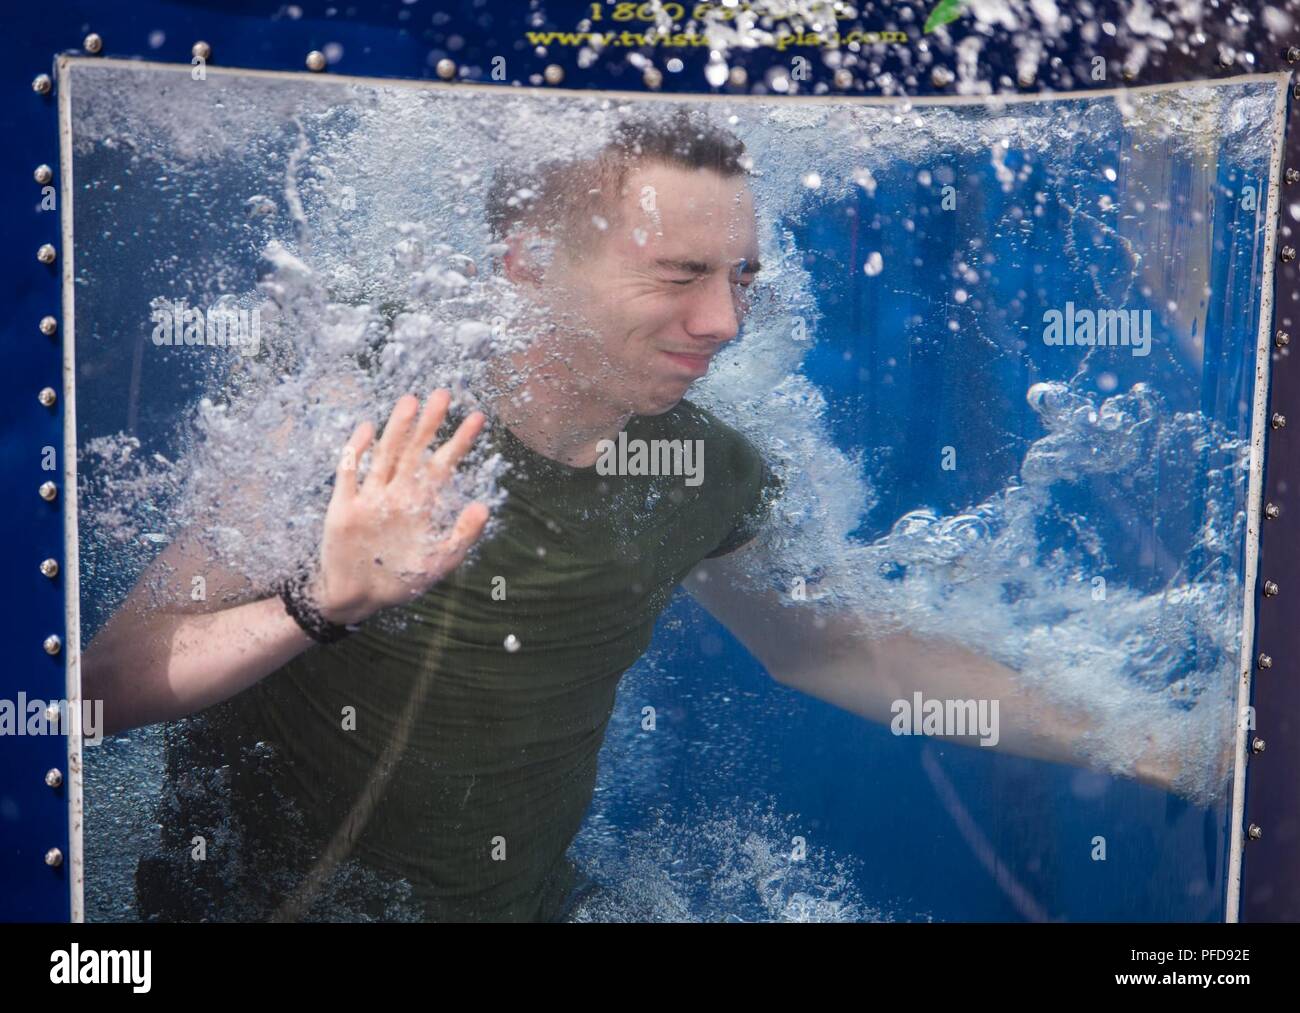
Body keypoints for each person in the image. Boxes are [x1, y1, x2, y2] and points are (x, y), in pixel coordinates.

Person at [84, 109, 1192, 923]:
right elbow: (100, 694)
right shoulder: (360, 385)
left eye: (744, 275)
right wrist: (322, 597)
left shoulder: (705, 471)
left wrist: (1133, 738)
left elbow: (831, 649)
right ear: (528, 261)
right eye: (678, 275)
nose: (723, 320)